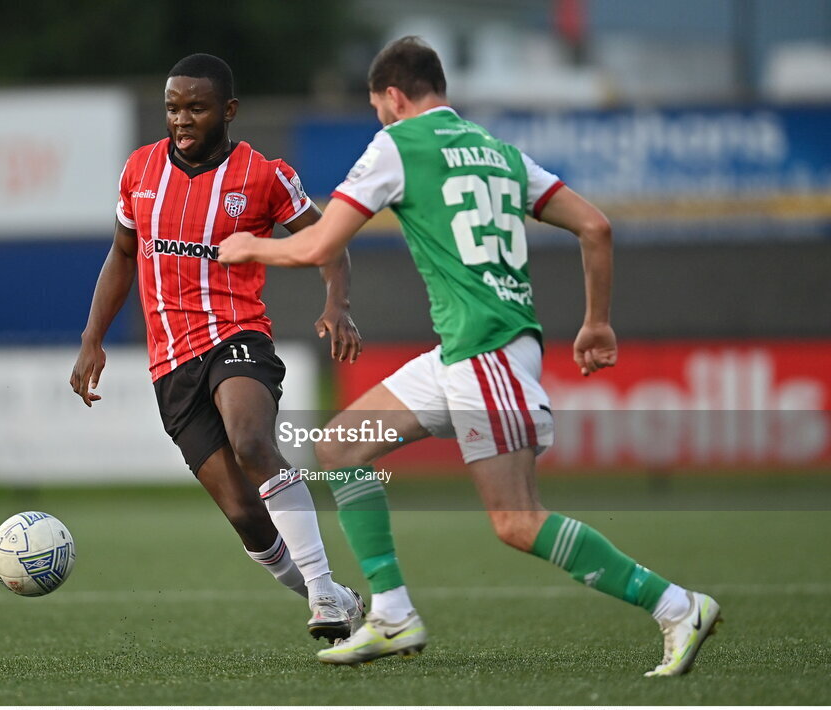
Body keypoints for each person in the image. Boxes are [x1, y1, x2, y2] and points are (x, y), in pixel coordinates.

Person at [218, 37, 721, 674]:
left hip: (488, 356)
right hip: (464, 353)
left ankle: (677, 606)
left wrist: (252, 248)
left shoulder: (398, 145)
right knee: (342, 444)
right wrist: (595, 322)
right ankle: (392, 614)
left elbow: (317, 245)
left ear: (394, 96)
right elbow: (595, 226)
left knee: (517, 522)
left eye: (380, 108)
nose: (381, 120)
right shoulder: (499, 151)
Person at [70, 53, 363, 642]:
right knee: (247, 518)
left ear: (228, 111)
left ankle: (326, 597)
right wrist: (92, 337)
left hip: (237, 336)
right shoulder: (140, 171)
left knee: (252, 440)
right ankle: (332, 597)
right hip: (170, 362)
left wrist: (339, 305)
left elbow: (328, 240)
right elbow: (124, 254)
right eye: (173, 107)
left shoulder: (262, 174)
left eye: (196, 107)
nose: (181, 119)